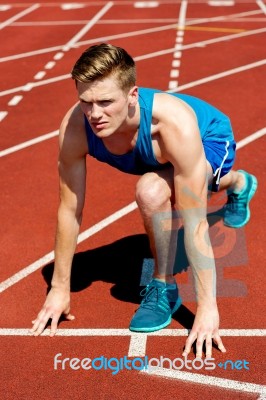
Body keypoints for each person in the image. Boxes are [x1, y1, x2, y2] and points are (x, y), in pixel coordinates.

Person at [30, 43, 257, 358]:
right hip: (152, 154)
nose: (95, 115)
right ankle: (164, 285)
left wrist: (208, 308)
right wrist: (58, 289)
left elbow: (194, 222)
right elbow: (70, 210)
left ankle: (237, 183)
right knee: (156, 185)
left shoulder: (173, 125)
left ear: (133, 95)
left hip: (206, 138)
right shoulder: (76, 128)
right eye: (86, 102)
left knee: (157, 190)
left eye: (106, 102)